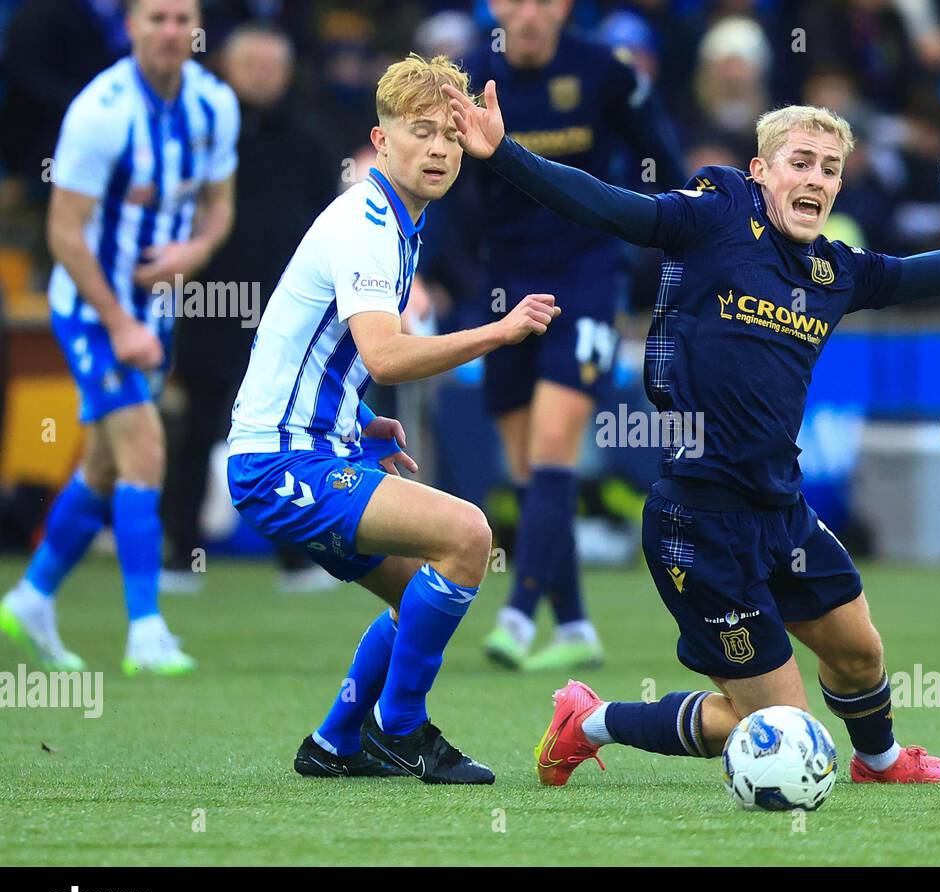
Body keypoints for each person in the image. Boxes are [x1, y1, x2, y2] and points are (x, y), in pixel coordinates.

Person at [443, 79, 940, 785]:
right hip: (699, 522)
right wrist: (505, 154)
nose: (816, 178)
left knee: (859, 653)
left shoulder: (836, 270)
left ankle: (881, 763)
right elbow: (607, 206)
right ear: (761, 171)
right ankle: (592, 720)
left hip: (780, 508)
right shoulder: (714, 217)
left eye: (829, 168)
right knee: (783, 731)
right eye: (800, 162)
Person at [226, 54, 560, 782]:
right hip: (280, 464)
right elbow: (383, 354)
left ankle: (334, 742)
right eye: (420, 131)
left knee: (421, 597)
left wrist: (356, 417)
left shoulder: (399, 221)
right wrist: (498, 332)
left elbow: (313, 347)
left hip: (307, 447)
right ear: (382, 141)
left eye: (450, 134)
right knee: (469, 535)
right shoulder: (367, 222)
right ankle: (401, 728)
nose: (438, 149)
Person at [0, 0, 238, 675]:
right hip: (91, 307)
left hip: (153, 312)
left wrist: (197, 251)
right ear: (130, 27)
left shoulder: (214, 104)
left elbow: (220, 204)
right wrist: (120, 322)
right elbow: (64, 233)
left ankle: (32, 598)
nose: (170, 30)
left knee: (105, 466)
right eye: (155, 18)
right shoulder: (99, 112)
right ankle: (146, 631)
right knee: (145, 448)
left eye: (181, 18)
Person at [462, 0, 684, 673]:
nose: (529, 14)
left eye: (544, 1)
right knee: (524, 465)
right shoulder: (469, 76)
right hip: (503, 281)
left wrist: (650, 249)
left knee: (554, 441)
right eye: (517, 1)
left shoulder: (604, 70)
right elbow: (442, 181)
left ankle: (516, 615)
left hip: (585, 278)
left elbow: (661, 162)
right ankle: (577, 627)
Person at [159, 22, 341, 595]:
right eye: (252, 66)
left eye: (273, 67)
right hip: (210, 304)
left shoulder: (310, 139)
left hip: (285, 312)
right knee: (197, 429)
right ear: (227, 69)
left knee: (289, 434)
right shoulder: (201, 132)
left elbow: (333, 223)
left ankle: (298, 560)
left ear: (287, 73)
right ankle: (180, 555)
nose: (263, 77)